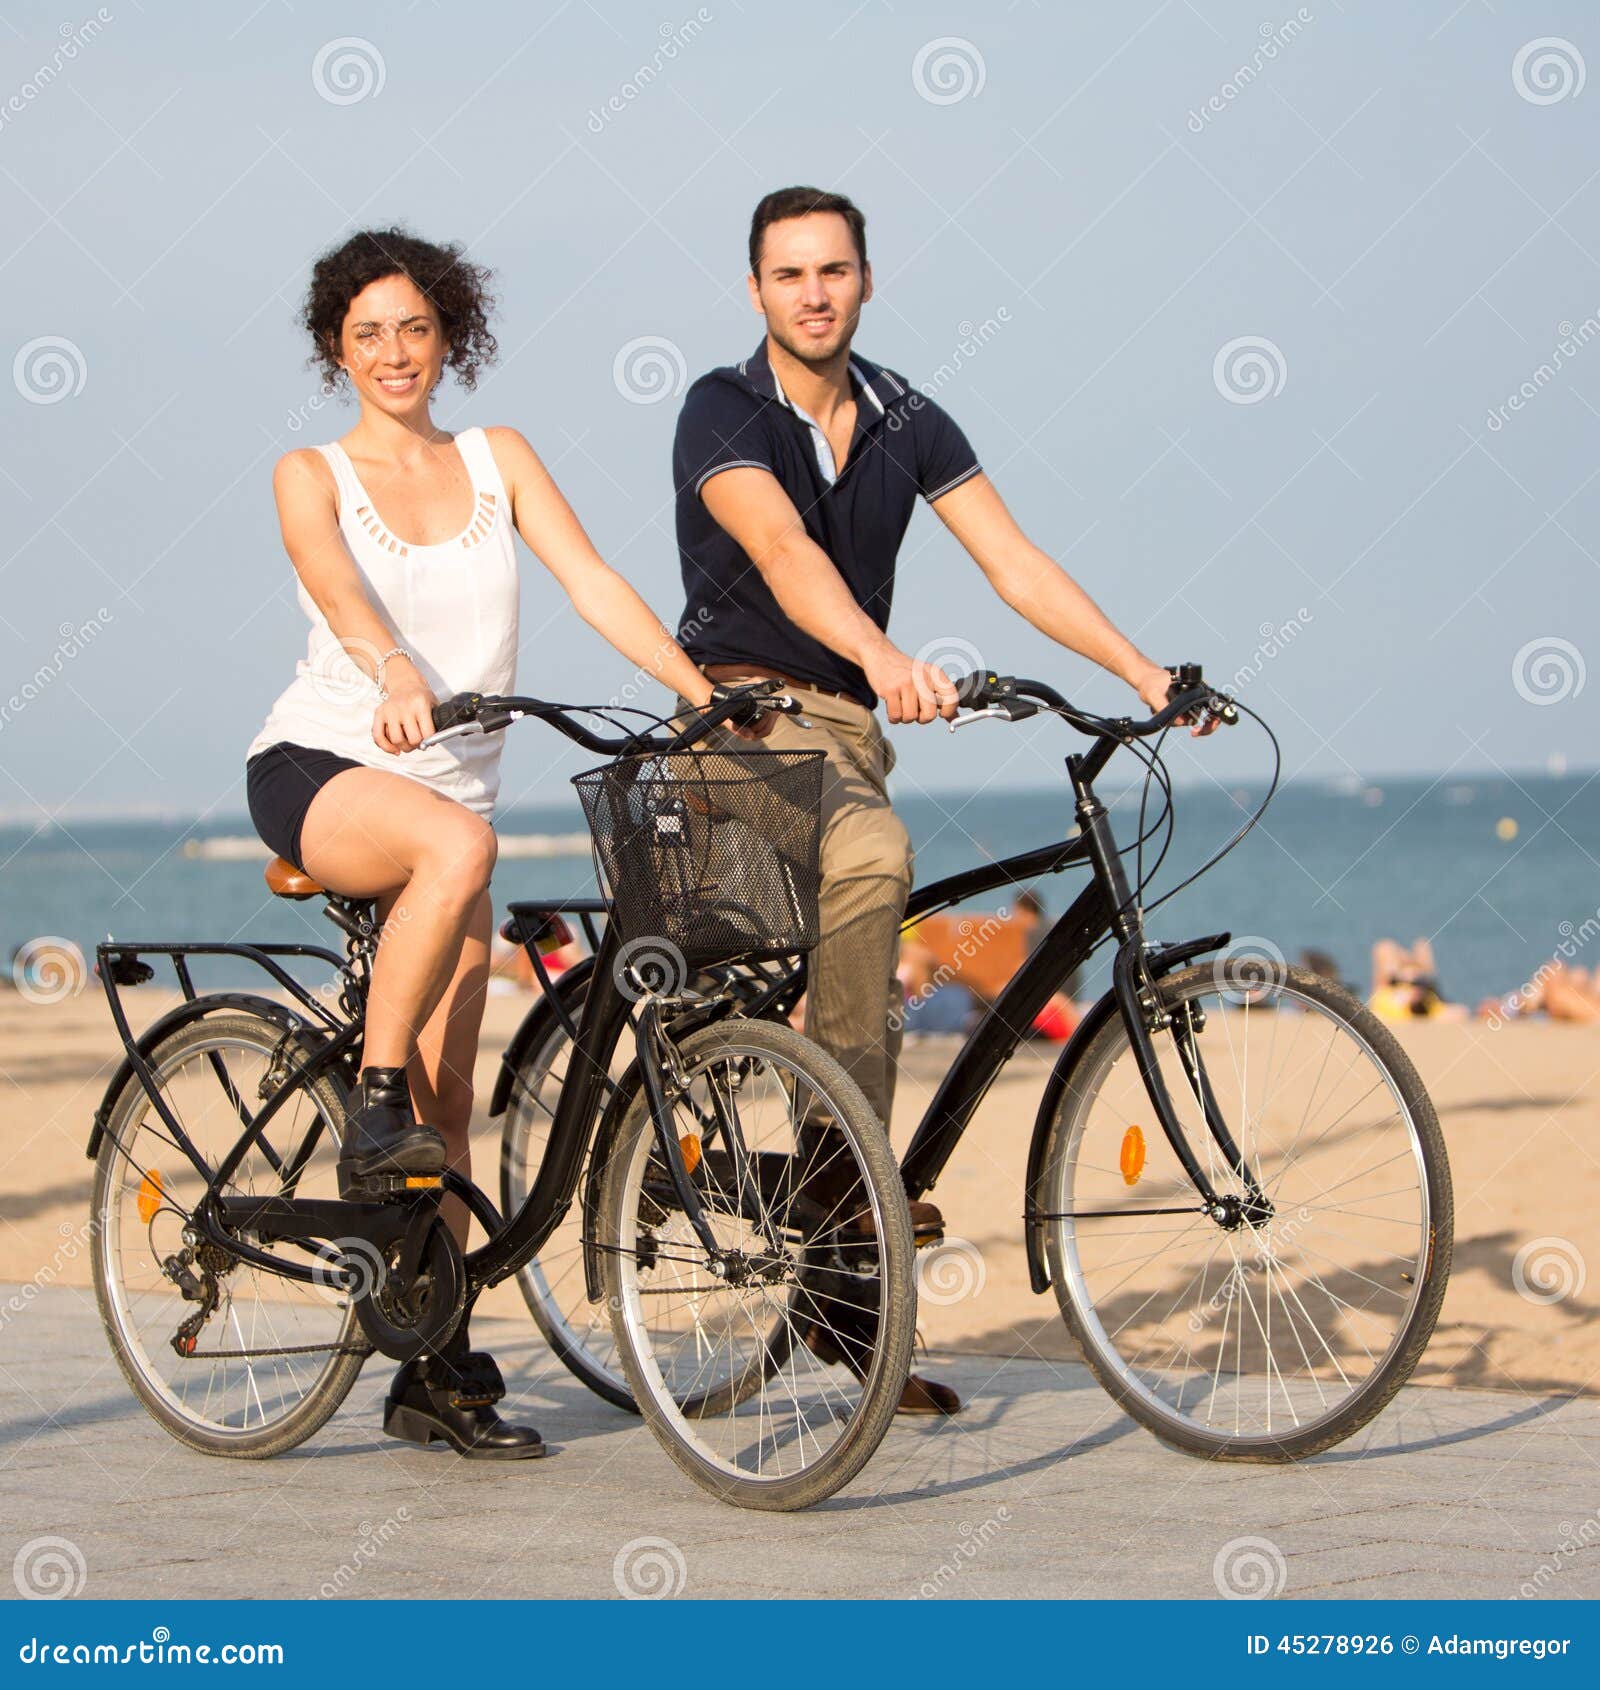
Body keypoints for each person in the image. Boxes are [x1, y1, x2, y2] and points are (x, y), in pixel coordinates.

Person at [671, 186, 1214, 1414]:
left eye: (835, 270)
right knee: (875, 858)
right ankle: (840, 1176)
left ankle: (833, 1255)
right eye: (789, 273)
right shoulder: (722, 407)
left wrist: (1145, 674)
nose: (814, 291)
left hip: (851, 736)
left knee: (876, 866)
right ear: (755, 290)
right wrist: (876, 652)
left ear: (865, 280)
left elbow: (1010, 558)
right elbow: (780, 549)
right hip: (738, 724)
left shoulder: (907, 416)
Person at [245, 228, 731, 1460]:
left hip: (447, 820)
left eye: (414, 327)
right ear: (334, 350)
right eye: (368, 334)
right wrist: (391, 663)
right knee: (455, 866)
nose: (395, 352)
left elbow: (590, 576)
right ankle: (365, 1099)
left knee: (451, 1112)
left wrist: (692, 689)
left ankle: (430, 1368)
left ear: (448, 333)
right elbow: (335, 584)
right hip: (326, 770)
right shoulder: (310, 471)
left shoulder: (497, 457)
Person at [1367, 938, 1467, 1022]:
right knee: (1421, 945)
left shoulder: (1389, 1007)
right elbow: (1460, 1012)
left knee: (1385, 948)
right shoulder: (1431, 1006)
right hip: (1417, 985)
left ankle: (1406, 964)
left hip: (1395, 987)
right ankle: (1408, 965)